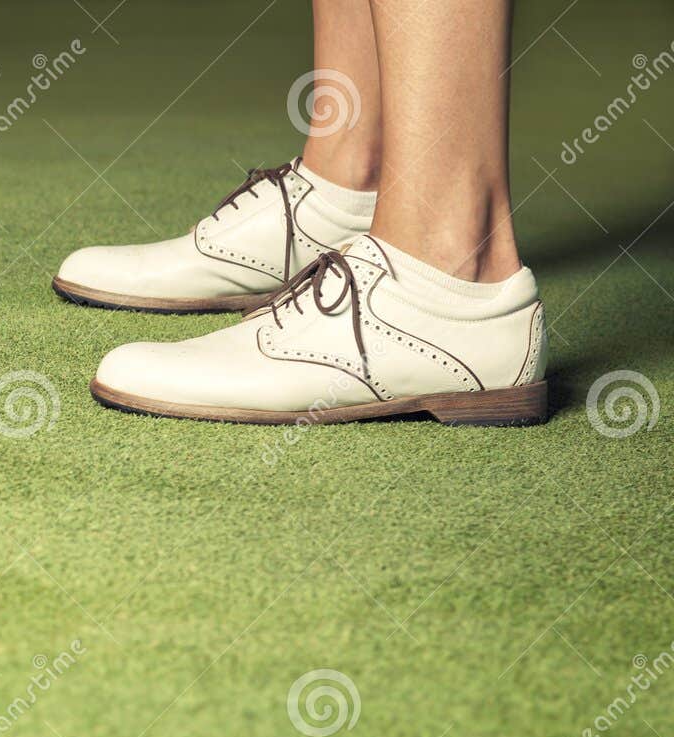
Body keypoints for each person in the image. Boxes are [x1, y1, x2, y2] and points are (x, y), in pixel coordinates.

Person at [58, 0, 548, 426]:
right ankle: (354, 178)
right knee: (356, 164)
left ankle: (450, 259)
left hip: (455, 274)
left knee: (449, 243)